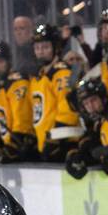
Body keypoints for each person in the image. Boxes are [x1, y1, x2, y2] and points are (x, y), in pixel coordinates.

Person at [30, 23, 82, 162]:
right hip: (46, 144)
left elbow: (68, 106)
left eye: (45, 47)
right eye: (37, 48)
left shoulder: (63, 72)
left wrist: (57, 138)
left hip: (62, 145)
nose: (40, 51)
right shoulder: (39, 76)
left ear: (56, 48)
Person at [0, 40, 37, 163]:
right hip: (11, 145)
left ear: (8, 62)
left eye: (0, 62)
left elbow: (22, 121)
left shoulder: (17, 83)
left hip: (26, 146)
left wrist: (14, 145)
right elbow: (1, 118)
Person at [64, 74, 108, 178]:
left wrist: (95, 155)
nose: (91, 106)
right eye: (86, 103)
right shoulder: (98, 120)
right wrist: (77, 156)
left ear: (103, 99)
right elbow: (90, 140)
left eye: (93, 100)